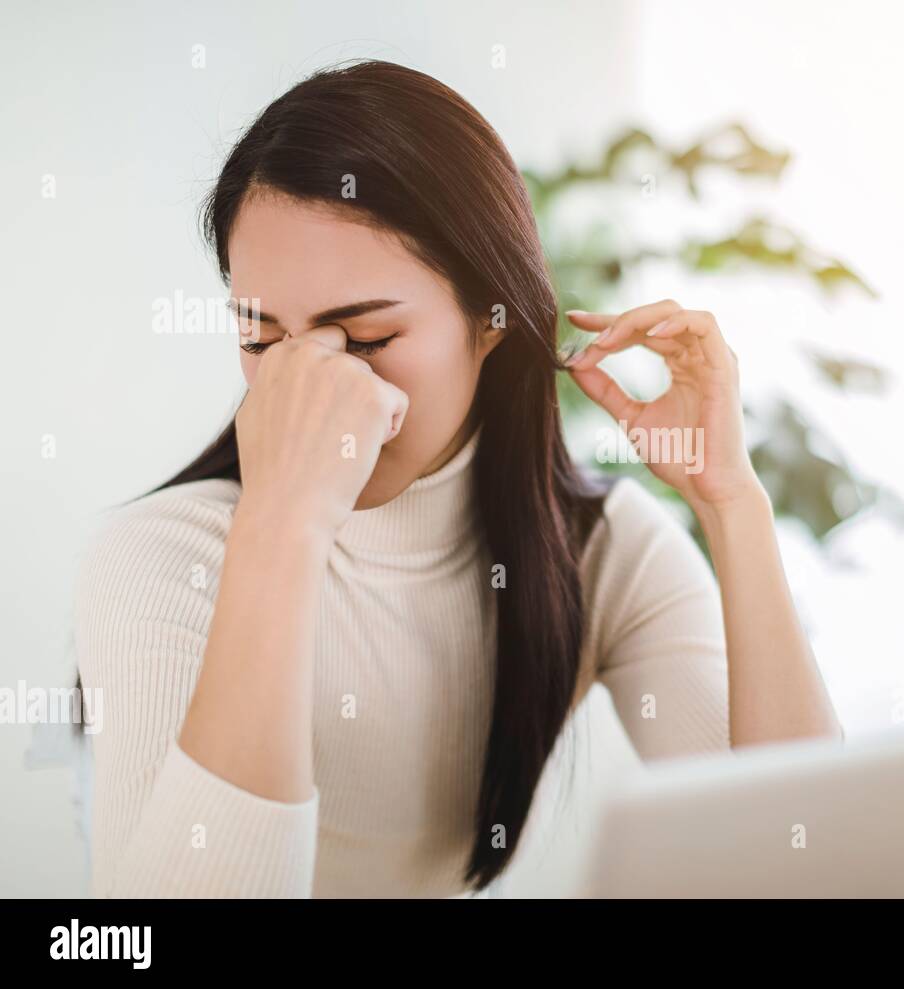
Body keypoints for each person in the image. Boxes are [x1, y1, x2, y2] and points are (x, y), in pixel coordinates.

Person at [74, 59, 842, 898]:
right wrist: (284, 526)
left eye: (364, 340)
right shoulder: (161, 554)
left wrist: (731, 501)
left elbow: (802, 867)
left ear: (491, 324)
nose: (312, 388)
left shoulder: (599, 551)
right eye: (262, 340)